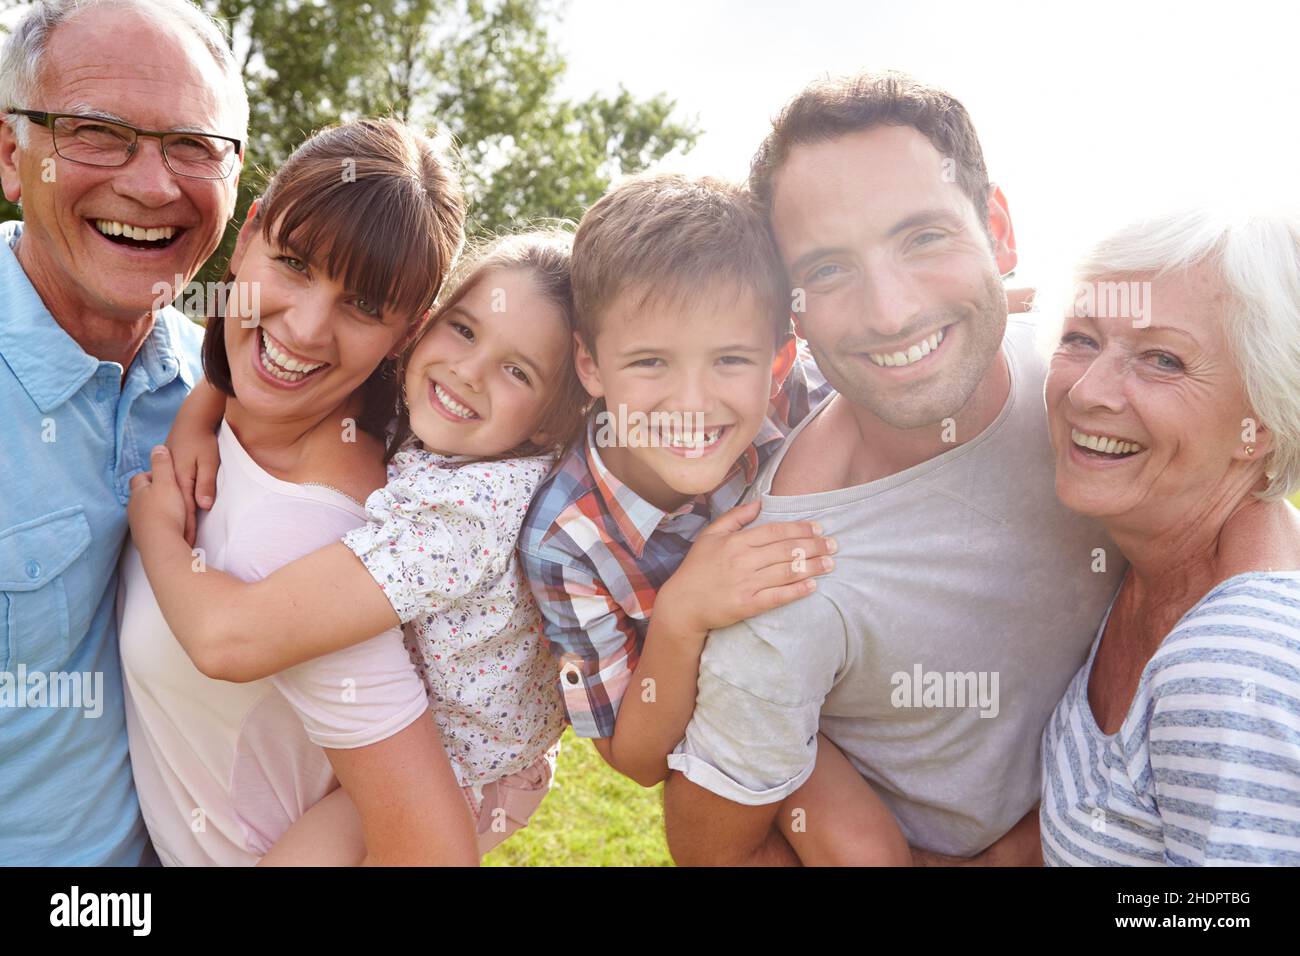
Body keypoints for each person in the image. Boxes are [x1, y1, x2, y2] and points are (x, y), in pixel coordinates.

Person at [662, 70, 1123, 865]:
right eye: (830, 270)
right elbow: (716, 852)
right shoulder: (787, 580)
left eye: (923, 238)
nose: (892, 311)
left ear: (998, 229)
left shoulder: (1089, 385)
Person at [517, 173, 911, 863]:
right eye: (648, 362)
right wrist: (682, 615)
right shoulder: (566, 542)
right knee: (859, 850)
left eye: (730, 359)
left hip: (865, 673)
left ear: (780, 361)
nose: (692, 402)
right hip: (739, 724)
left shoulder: (804, 401)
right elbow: (634, 759)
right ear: (591, 362)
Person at [118, 117, 478, 865]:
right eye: (293, 264)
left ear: (406, 334)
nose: (308, 329)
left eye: (365, 306)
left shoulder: (311, 540)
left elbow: (434, 850)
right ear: (247, 234)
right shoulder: (218, 405)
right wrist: (205, 406)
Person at [0, 0, 245, 865]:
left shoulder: (243, 392)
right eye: (96, 133)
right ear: (10, 154)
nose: (151, 185)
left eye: (193, 146)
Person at [1038, 207, 1300, 866]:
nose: (1089, 392)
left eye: (1162, 359)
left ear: (1264, 420)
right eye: (1081, 338)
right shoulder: (1146, 560)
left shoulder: (1235, 663)